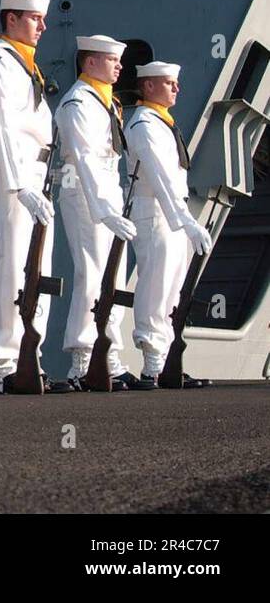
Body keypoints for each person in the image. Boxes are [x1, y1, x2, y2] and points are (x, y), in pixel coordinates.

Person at [0, 0, 58, 393]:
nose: (42, 27)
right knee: (11, 263)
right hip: (17, 172)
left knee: (36, 265)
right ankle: (1, 362)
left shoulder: (23, 65)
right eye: (34, 19)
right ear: (11, 19)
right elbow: (2, 126)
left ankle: (29, 354)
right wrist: (18, 182)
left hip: (34, 169)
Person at [55, 35, 142, 390]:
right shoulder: (79, 103)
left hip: (107, 193)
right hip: (85, 193)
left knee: (114, 277)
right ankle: (82, 359)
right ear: (89, 62)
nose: (119, 66)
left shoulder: (104, 102)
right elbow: (86, 159)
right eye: (111, 60)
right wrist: (104, 209)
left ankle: (108, 356)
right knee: (92, 273)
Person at [127, 61, 214, 389]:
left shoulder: (163, 123)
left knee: (173, 288)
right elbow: (160, 179)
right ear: (148, 87)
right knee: (157, 284)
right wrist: (186, 223)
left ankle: (163, 364)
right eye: (169, 83)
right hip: (155, 213)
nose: (176, 89)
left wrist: (186, 220)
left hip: (173, 212)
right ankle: (151, 364)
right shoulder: (145, 125)